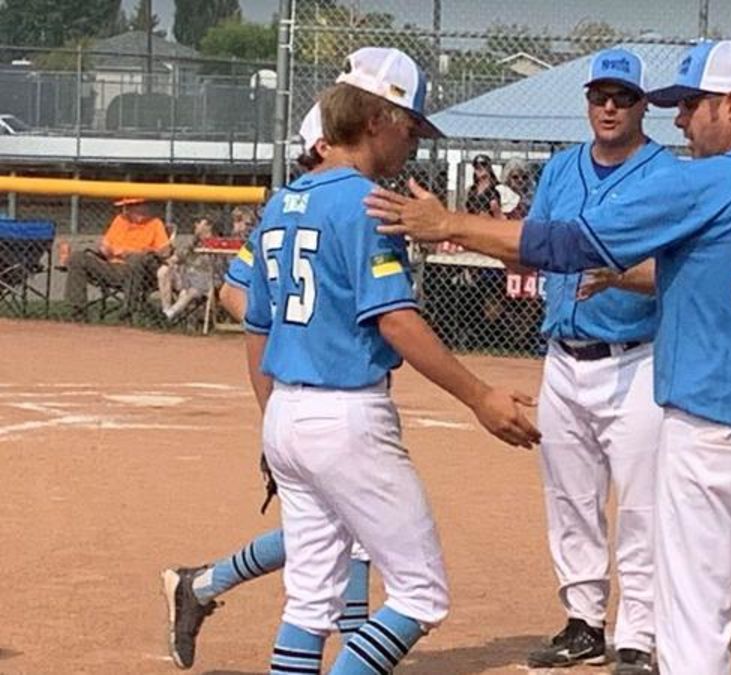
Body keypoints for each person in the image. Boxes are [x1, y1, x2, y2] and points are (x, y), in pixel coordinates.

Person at [366, 40, 731, 675]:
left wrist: (449, 224)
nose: (680, 119)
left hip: (710, 429)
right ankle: (585, 619)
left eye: (693, 105)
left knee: (693, 614)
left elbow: (571, 243)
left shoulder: (705, 181)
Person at [244, 47, 538, 675]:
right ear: (376, 119)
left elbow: (256, 327)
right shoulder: (368, 204)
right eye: (409, 126)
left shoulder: (282, 203)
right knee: (421, 592)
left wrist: (276, 425)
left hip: (287, 412)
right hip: (346, 416)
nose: (412, 142)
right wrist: (480, 395)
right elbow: (395, 320)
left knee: (310, 601)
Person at [158, 103, 384, 671]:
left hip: (343, 391)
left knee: (334, 531)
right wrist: (300, 331)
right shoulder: (296, 208)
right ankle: (203, 586)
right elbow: (237, 293)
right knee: (355, 535)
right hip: (311, 393)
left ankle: (201, 585)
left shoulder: (349, 205)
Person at [493, 49, 671, 675]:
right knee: (569, 498)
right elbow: (531, 249)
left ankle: (639, 635)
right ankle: (584, 622)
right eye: (600, 95)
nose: (610, 107)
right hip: (562, 357)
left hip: (636, 360)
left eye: (623, 96)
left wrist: (622, 276)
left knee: (642, 504)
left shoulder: (665, 173)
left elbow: (683, 273)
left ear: (644, 104)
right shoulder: (562, 169)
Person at [65, 197, 171, 320]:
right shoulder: (120, 220)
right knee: (77, 258)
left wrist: (140, 252)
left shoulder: (155, 223)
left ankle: (128, 311)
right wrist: (105, 249)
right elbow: (105, 246)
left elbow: (166, 251)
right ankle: (78, 312)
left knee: (135, 259)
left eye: (135, 206)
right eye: (128, 207)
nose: (130, 210)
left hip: (139, 271)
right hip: (112, 267)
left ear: (145, 206)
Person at [156, 216, 221, 322]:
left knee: (191, 291)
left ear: (209, 226)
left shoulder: (217, 243)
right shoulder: (192, 241)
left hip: (205, 281)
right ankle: (166, 309)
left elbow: (218, 269)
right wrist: (168, 259)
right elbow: (175, 258)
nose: (195, 225)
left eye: (199, 223)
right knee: (163, 271)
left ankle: (169, 315)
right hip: (186, 277)